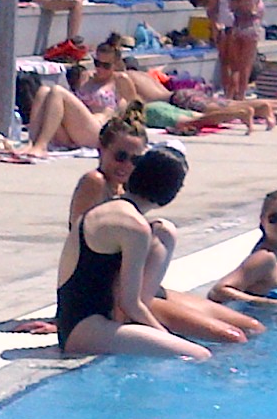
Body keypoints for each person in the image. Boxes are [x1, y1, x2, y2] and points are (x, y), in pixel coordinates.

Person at [65, 116, 262, 343]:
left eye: (135, 160)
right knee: (232, 337)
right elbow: (78, 251)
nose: (126, 165)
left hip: (136, 287)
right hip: (111, 294)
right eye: (120, 156)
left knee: (252, 326)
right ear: (101, 149)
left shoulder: (124, 192)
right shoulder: (95, 182)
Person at [55, 148, 211, 358]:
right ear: (170, 191)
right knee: (197, 355)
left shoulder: (108, 208)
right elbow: (130, 304)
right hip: (86, 330)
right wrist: (164, 333)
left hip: (75, 324)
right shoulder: (135, 227)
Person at [210, 190, 277, 305]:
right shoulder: (265, 258)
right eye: (274, 218)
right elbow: (218, 292)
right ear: (262, 220)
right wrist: (268, 303)